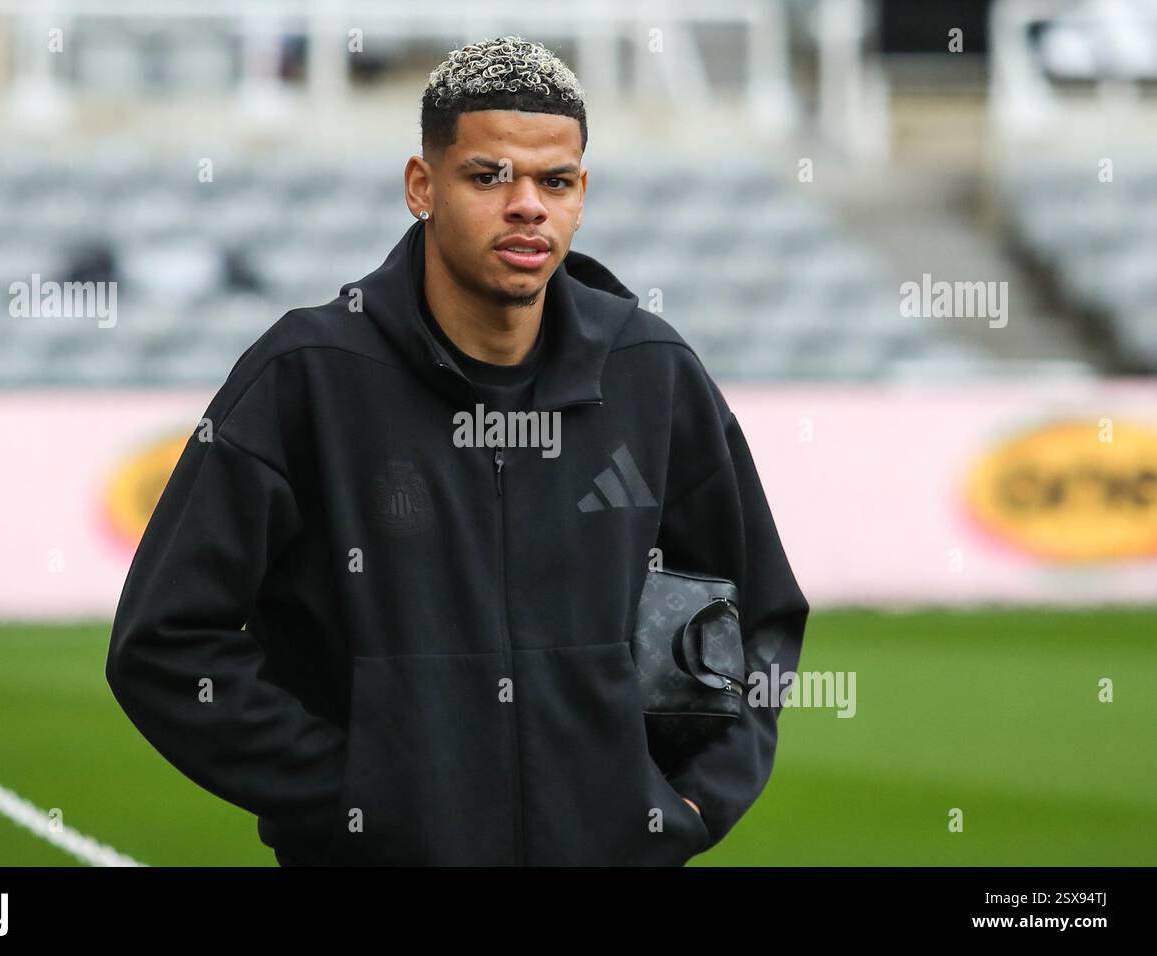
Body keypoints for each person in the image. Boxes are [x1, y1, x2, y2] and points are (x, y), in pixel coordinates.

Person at [105, 34, 809, 867]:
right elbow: (165, 642)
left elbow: (756, 616)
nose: (527, 206)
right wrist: (356, 795)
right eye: (488, 176)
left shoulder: (651, 372)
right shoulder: (309, 377)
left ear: (582, 195)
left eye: (555, 181)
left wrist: (694, 802)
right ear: (421, 186)